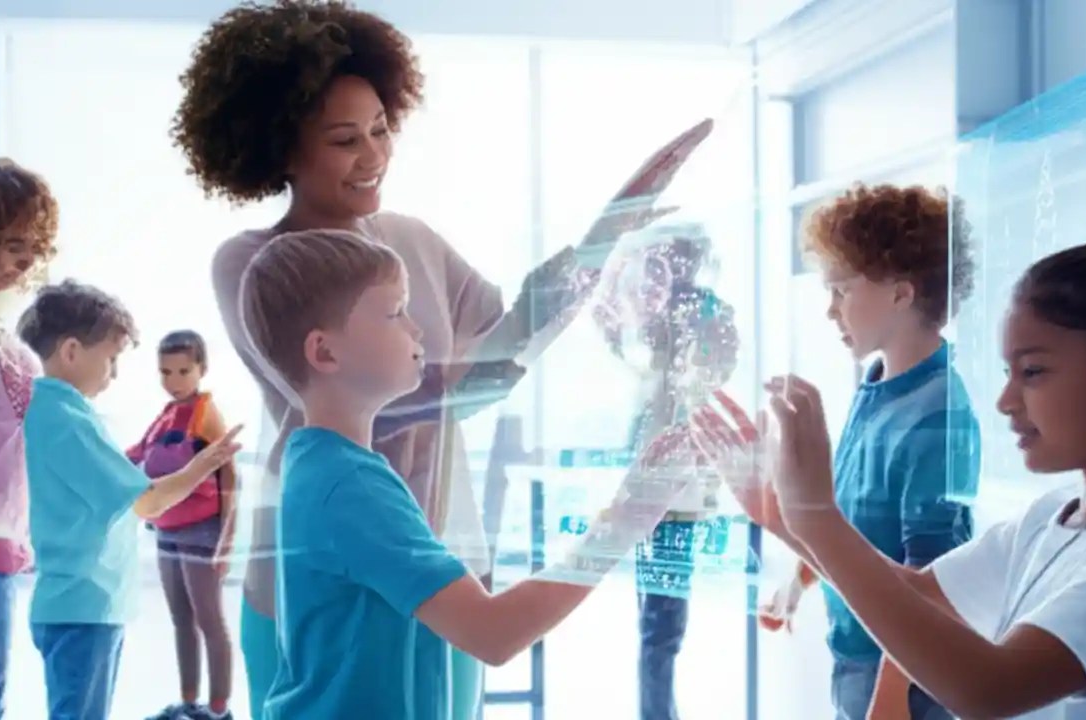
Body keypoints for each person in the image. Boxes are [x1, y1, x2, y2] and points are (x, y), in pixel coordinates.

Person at [171, 3, 710, 717]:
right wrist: (629, 508)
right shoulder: (257, 263)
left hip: (437, 556)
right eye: (343, 139)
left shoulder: (409, 239)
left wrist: (603, 238)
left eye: (380, 130)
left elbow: (512, 332)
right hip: (316, 566)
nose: (372, 155)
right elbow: (412, 394)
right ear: (280, 147)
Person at [696, 241, 1086, 719]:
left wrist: (818, 520)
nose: (1006, 400)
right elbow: (917, 595)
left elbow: (989, 688)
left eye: (1034, 372)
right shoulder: (1054, 515)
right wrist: (786, 516)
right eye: (1010, 372)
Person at [242, 228, 693, 719]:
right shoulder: (351, 487)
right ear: (325, 352)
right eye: (395, 313)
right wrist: (625, 520)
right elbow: (492, 632)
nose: (417, 331)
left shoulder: (314, 459)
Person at [757, 184, 978, 720]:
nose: (832, 311)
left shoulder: (940, 412)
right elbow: (849, 523)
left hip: (905, 681)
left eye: (841, 290)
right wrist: (799, 578)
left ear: (902, 294)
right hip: (857, 657)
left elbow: (932, 586)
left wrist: (890, 700)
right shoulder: (875, 388)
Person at [17, 280, 242, 720]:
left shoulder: (55, 412)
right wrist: (205, 464)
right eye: (111, 359)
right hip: (84, 606)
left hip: (78, 602)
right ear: (71, 351)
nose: (115, 374)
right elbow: (147, 502)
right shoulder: (67, 420)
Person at [593, 222, 738, 720]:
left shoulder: (703, 314)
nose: (659, 274)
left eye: (666, 262)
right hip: (660, 488)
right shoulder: (670, 316)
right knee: (657, 626)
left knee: (658, 627)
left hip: (677, 492)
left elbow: (703, 385)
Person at [128, 331, 237, 720]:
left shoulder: (208, 414)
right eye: (165, 372)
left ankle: (220, 709)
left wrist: (227, 540)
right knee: (180, 619)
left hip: (200, 530)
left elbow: (229, 480)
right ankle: (189, 703)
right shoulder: (165, 415)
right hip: (166, 528)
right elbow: (136, 454)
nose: (174, 381)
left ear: (201, 370)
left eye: (183, 371)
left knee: (209, 619)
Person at [0, 157, 59, 720]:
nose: (29, 258)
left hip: (5, 553)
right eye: (14, 243)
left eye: (34, 244)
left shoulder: (12, 346)